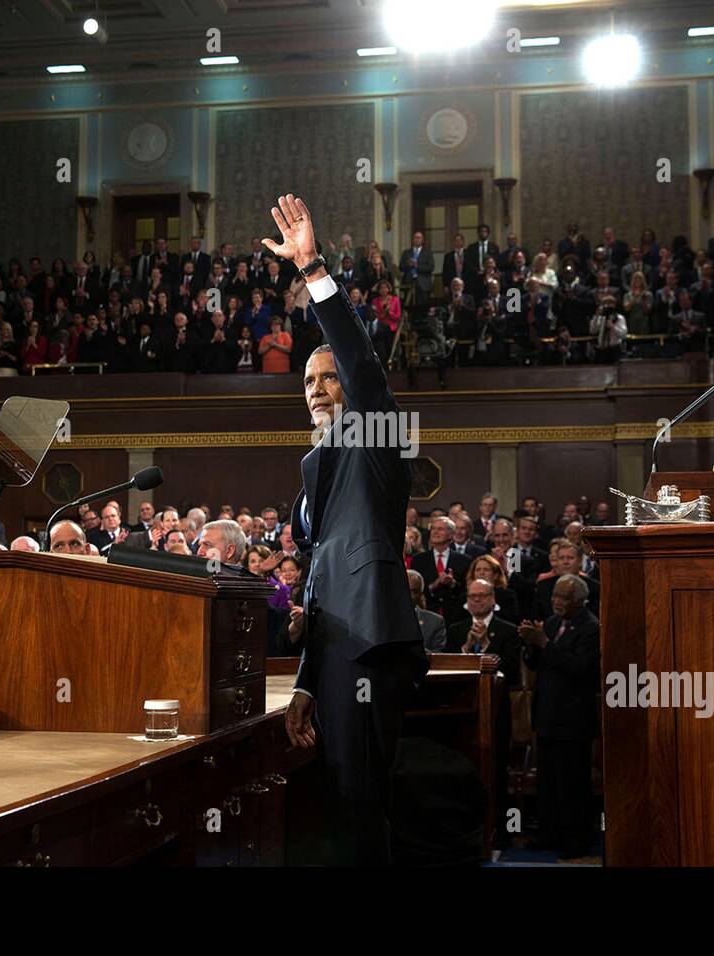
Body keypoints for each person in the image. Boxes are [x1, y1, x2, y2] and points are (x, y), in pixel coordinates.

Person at [267, 193, 428, 865]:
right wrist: (305, 680)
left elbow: (362, 370)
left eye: (328, 376)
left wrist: (312, 270)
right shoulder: (312, 470)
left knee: (362, 809)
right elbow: (315, 588)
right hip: (332, 654)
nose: (317, 388)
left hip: (368, 647)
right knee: (334, 806)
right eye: (308, 380)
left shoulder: (377, 434)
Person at [520, 574, 600, 861]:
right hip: (547, 716)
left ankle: (575, 841)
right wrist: (530, 644)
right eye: (554, 595)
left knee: (571, 785)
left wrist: (544, 644)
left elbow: (578, 668)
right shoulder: (552, 624)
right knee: (548, 783)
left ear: (578, 601)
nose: (556, 601)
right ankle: (548, 835)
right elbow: (536, 663)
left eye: (563, 598)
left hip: (573, 720)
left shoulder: (591, 628)